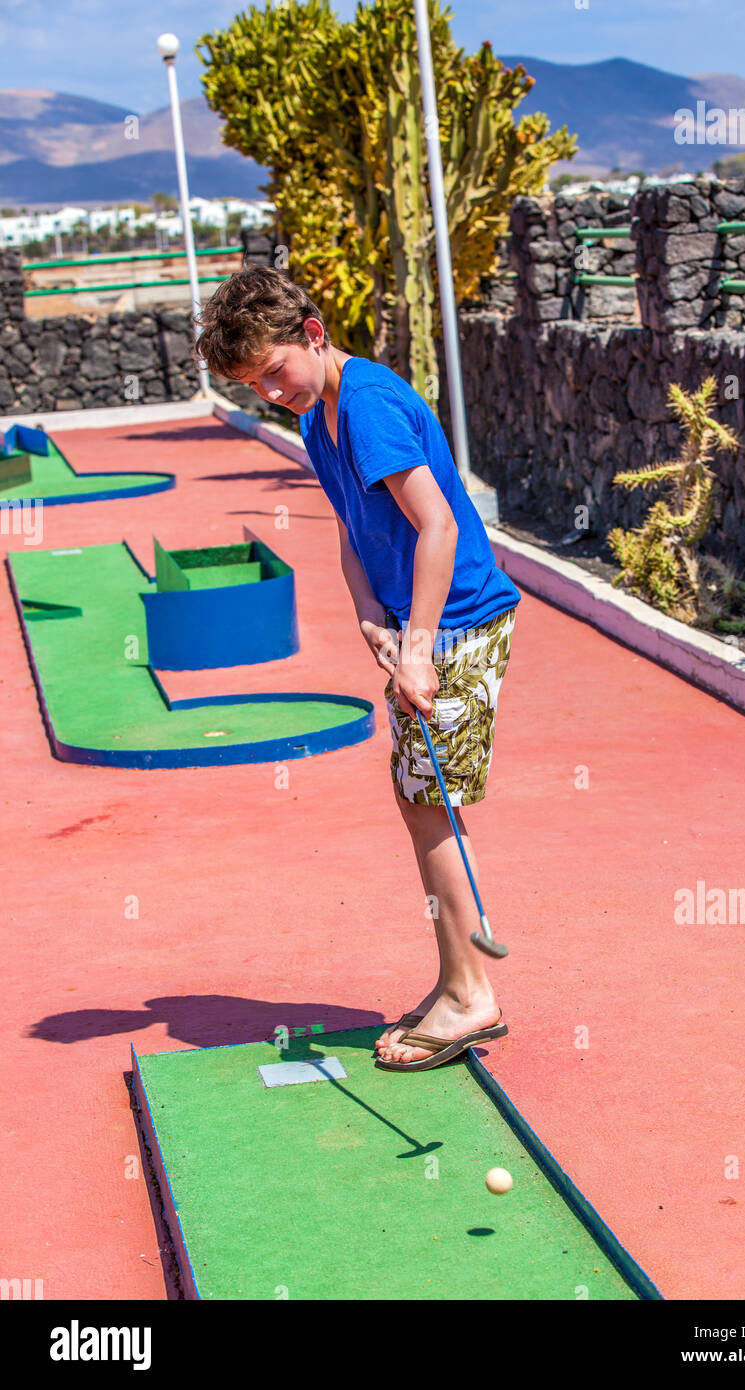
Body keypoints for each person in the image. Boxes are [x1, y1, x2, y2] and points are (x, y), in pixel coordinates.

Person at [194, 266, 521, 1072]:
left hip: (458, 624)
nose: (271, 391)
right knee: (420, 800)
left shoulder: (366, 404)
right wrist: (370, 616)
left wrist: (417, 647)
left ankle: (471, 996)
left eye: (274, 371)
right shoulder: (319, 414)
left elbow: (437, 526)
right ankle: (456, 981)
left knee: (432, 803)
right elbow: (349, 525)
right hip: (419, 624)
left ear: (312, 333)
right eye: (250, 385)